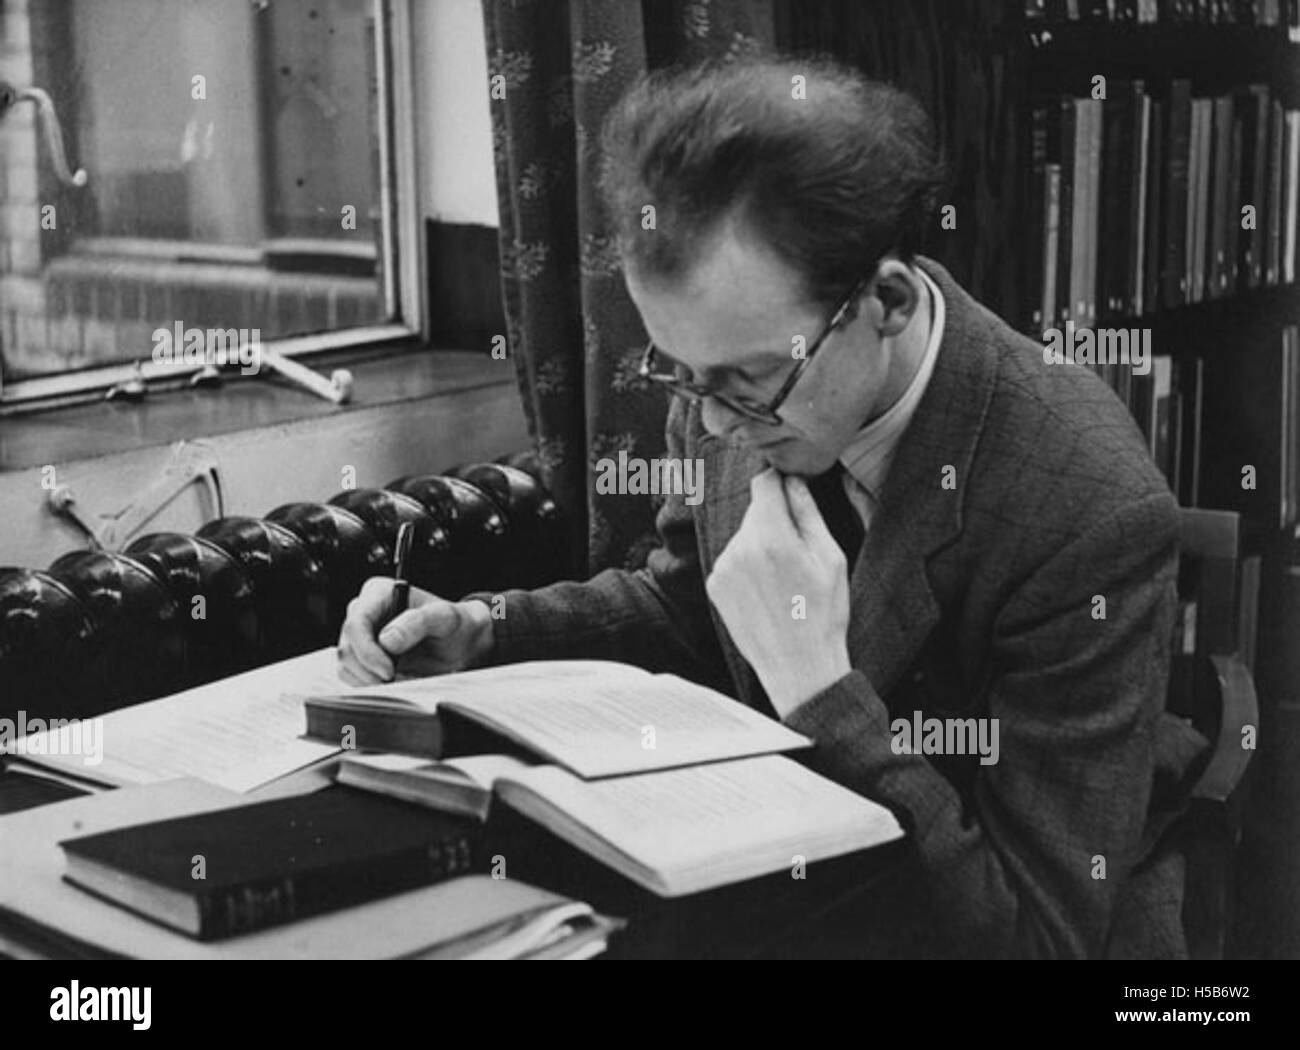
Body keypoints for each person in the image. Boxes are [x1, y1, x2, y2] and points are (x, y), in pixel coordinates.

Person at [338, 57, 1205, 958]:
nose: (713, 420)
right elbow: (688, 601)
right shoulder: (734, 369)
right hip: (780, 875)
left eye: (751, 381)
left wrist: (818, 691)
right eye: (683, 373)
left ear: (889, 302)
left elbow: (1033, 937)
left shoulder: (1084, 505)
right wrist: (489, 631)